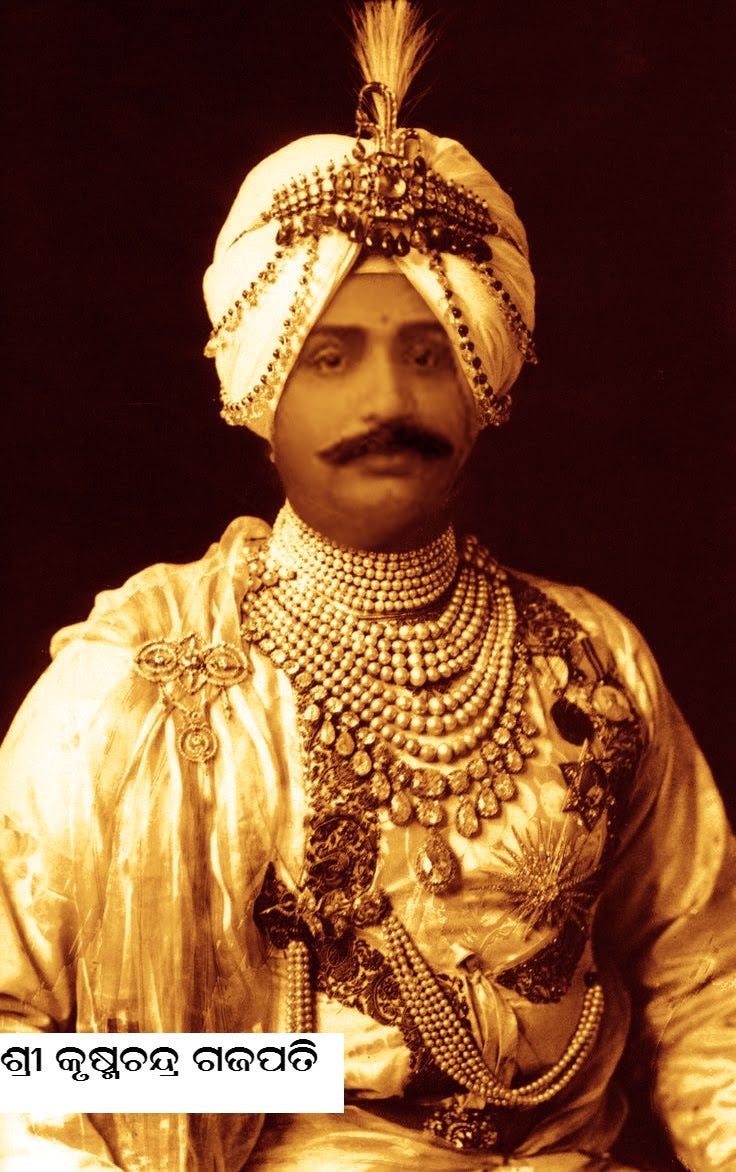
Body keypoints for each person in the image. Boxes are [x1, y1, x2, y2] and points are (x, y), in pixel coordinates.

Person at [1, 2, 734, 1169]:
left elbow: (707, 980)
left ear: (485, 384)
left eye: (428, 351)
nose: (386, 400)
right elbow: (16, 1058)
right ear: (262, 392)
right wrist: (298, 1064)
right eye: (331, 356)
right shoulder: (130, 685)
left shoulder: (594, 657)